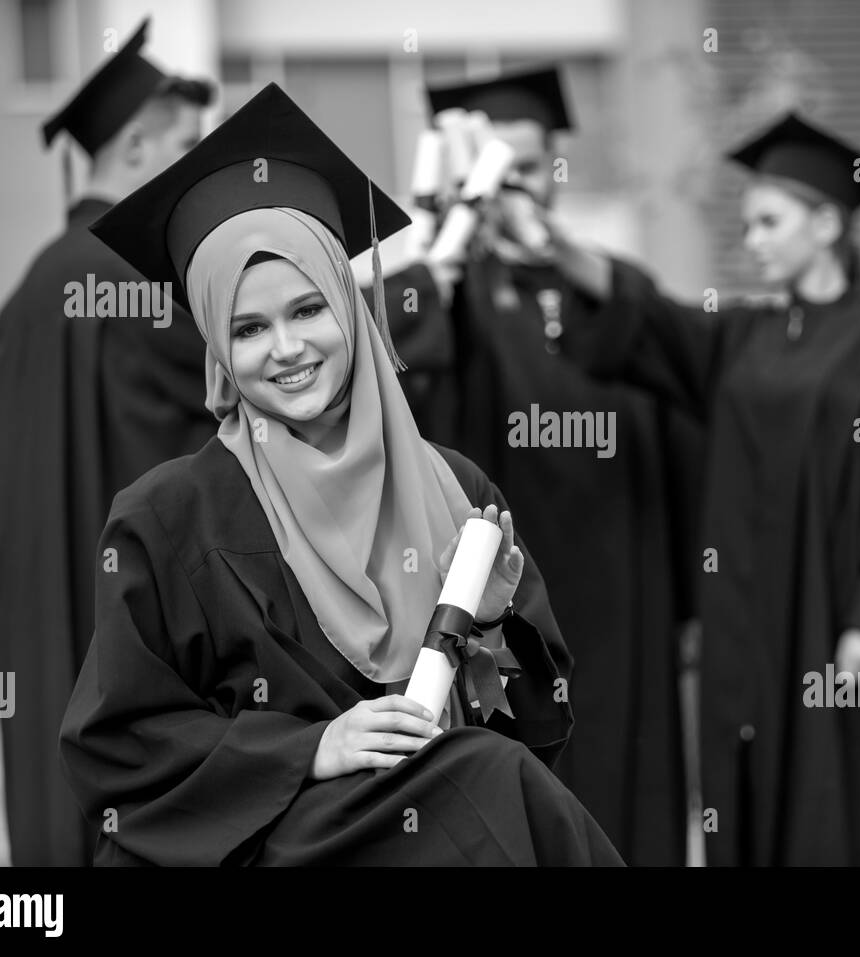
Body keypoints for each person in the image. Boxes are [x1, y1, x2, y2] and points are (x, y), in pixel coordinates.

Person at [58, 83, 622, 866]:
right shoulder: (171, 515)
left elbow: (537, 725)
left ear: (354, 310)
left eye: (309, 309)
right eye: (248, 328)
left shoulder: (459, 492)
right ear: (219, 353)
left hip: (437, 829)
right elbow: (115, 747)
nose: (287, 349)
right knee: (493, 783)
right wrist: (309, 750)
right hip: (275, 844)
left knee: (499, 780)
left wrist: (492, 631)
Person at [551, 114, 860, 865]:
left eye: (770, 222)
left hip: (844, 639)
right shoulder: (744, 338)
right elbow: (653, 323)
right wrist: (554, 246)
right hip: (751, 638)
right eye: (747, 227)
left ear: (828, 221)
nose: (754, 241)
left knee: (847, 813)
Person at [372, 66, 703, 865]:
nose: (516, 189)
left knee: (629, 800)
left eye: (531, 167)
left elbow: (685, 409)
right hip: (509, 601)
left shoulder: (601, 292)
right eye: (500, 169)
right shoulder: (450, 295)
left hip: (625, 602)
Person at [0, 18, 215, 866]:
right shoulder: (139, 281)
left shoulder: (26, 295)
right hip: (133, 666)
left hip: (46, 648)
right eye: (188, 148)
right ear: (137, 149)